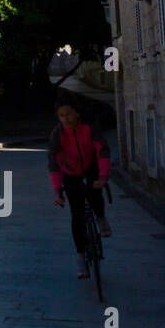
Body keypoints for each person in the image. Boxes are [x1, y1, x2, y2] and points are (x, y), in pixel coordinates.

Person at [49, 94, 112, 278]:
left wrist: (103, 176)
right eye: (61, 115)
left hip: (91, 167)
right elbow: (53, 163)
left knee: (95, 191)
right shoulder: (58, 134)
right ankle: (81, 258)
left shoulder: (89, 128)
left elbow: (103, 151)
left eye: (68, 114)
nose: (65, 119)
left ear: (77, 113)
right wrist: (57, 190)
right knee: (76, 216)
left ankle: (101, 218)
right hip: (71, 172)